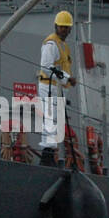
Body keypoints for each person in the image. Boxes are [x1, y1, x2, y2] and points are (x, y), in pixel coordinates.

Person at [38, 10, 76, 166]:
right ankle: (47, 158)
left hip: (58, 89)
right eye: (62, 27)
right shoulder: (51, 44)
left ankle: (49, 156)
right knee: (50, 121)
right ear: (56, 26)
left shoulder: (63, 46)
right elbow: (46, 66)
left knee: (55, 121)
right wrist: (67, 78)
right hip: (49, 87)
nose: (64, 30)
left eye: (67, 27)